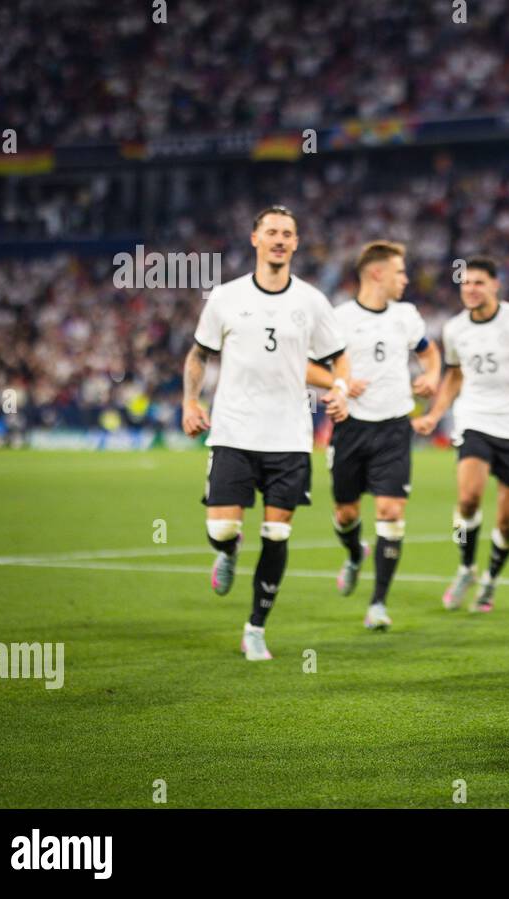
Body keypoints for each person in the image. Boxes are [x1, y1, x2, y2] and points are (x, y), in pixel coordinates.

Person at [182, 205, 351, 660]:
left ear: (296, 243)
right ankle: (228, 549)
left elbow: (339, 358)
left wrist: (340, 389)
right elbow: (199, 355)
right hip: (234, 431)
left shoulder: (312, 302)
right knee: (222, 526)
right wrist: (190, 401)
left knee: (277, 535)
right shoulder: (225, 298)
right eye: (271, 231)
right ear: (255, 238)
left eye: (288, 233)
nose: (279, 239)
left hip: (290, 437)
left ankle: (255, 627)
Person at [412, 258, 509, 613]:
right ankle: (465, 567)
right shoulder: (454, 329)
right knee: (468, 498)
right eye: (466, 283)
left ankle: (491, 578)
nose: (471, 289)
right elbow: (455, 375)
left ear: (495, 286)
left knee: (508, 522)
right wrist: (434, 414)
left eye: (479, 283)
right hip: (474, 420)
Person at [308, 241, 440, 630]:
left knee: (390, 512)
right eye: (400, 272)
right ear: (377, 273)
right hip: (351, 428)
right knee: (346, 512)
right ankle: (353, 554)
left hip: (395, 426)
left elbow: (428, 353)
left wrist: (431, 375)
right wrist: (340, 382)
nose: (406, 279)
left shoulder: (406, 315)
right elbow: (306, 367)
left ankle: (378, 603)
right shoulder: (338, 318)